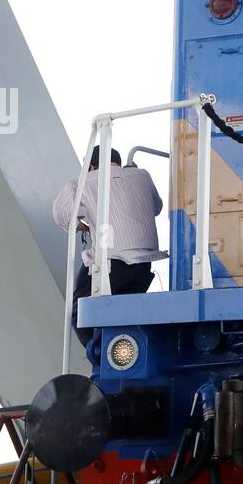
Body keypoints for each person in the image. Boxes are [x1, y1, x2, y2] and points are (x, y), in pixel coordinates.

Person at [53, 147, 168, 346]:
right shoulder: (142, 175)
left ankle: (100, 359)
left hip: (111, 264)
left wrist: (83, 226)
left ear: (90, 166)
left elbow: (61, 214)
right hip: (143, 265)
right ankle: (125, 353)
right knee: (123, 316)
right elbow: (156, 207)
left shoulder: (83, 181)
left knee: (79, 311)